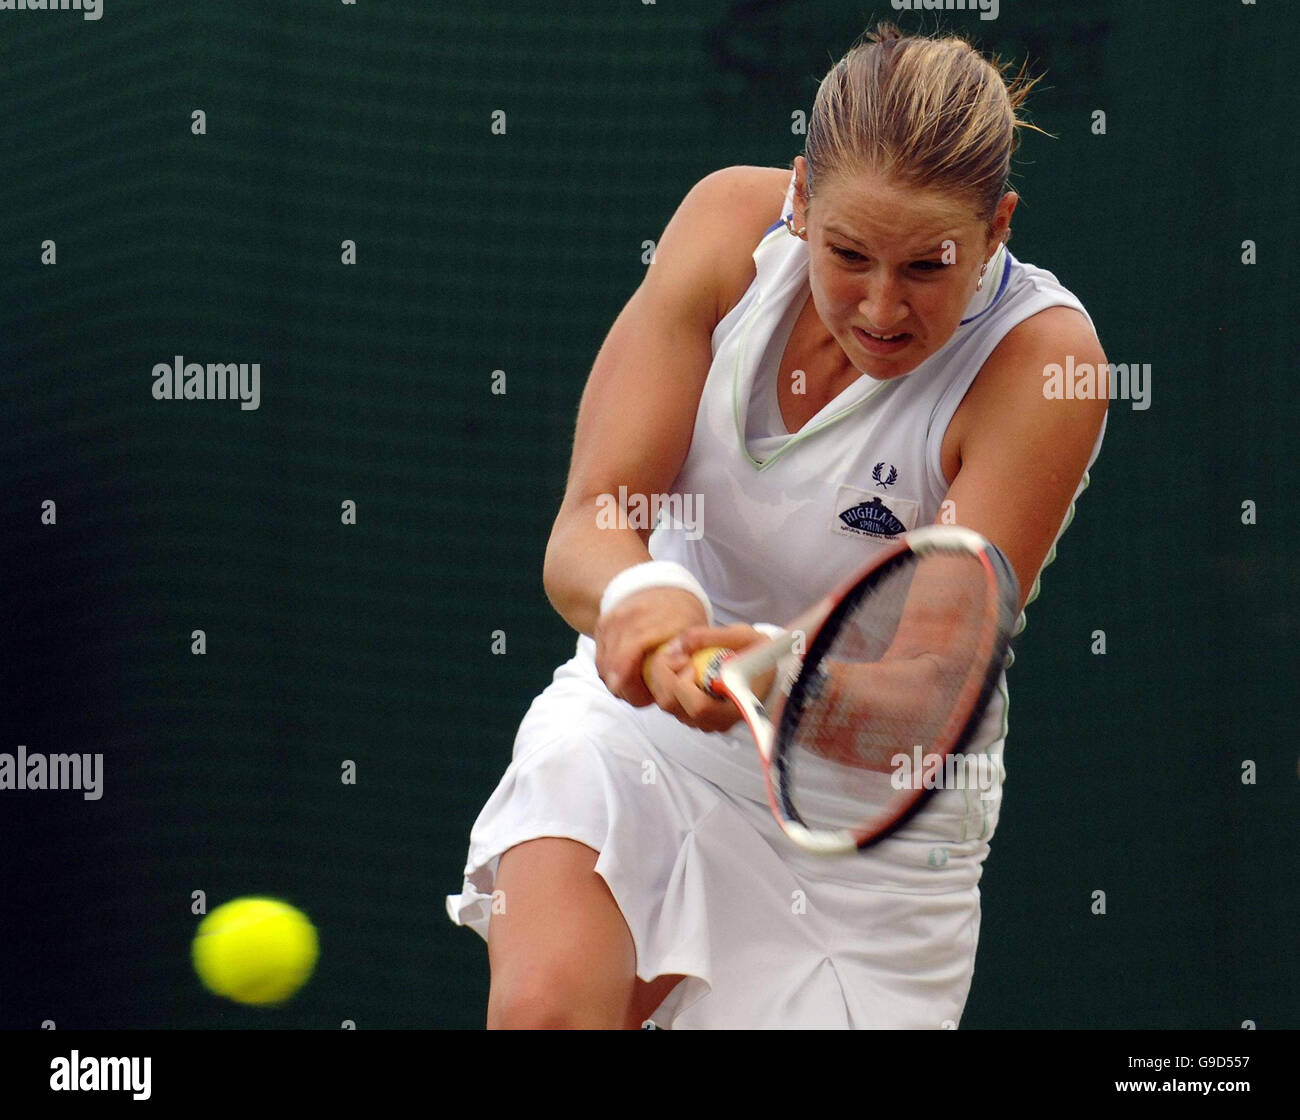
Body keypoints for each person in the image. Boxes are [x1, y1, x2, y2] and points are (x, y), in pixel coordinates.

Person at [447, 22, 1109, 1029]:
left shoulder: (1043, 366)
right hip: (644, 733)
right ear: (800, 197)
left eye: (927, 267)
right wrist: (643, 597)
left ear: (997, 227)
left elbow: (929, 696)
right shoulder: (723, 230)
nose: (882, 307)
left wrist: (777, 682)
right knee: (545, 1011)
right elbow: (590, 522)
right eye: (847, 254)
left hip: (868, 820)